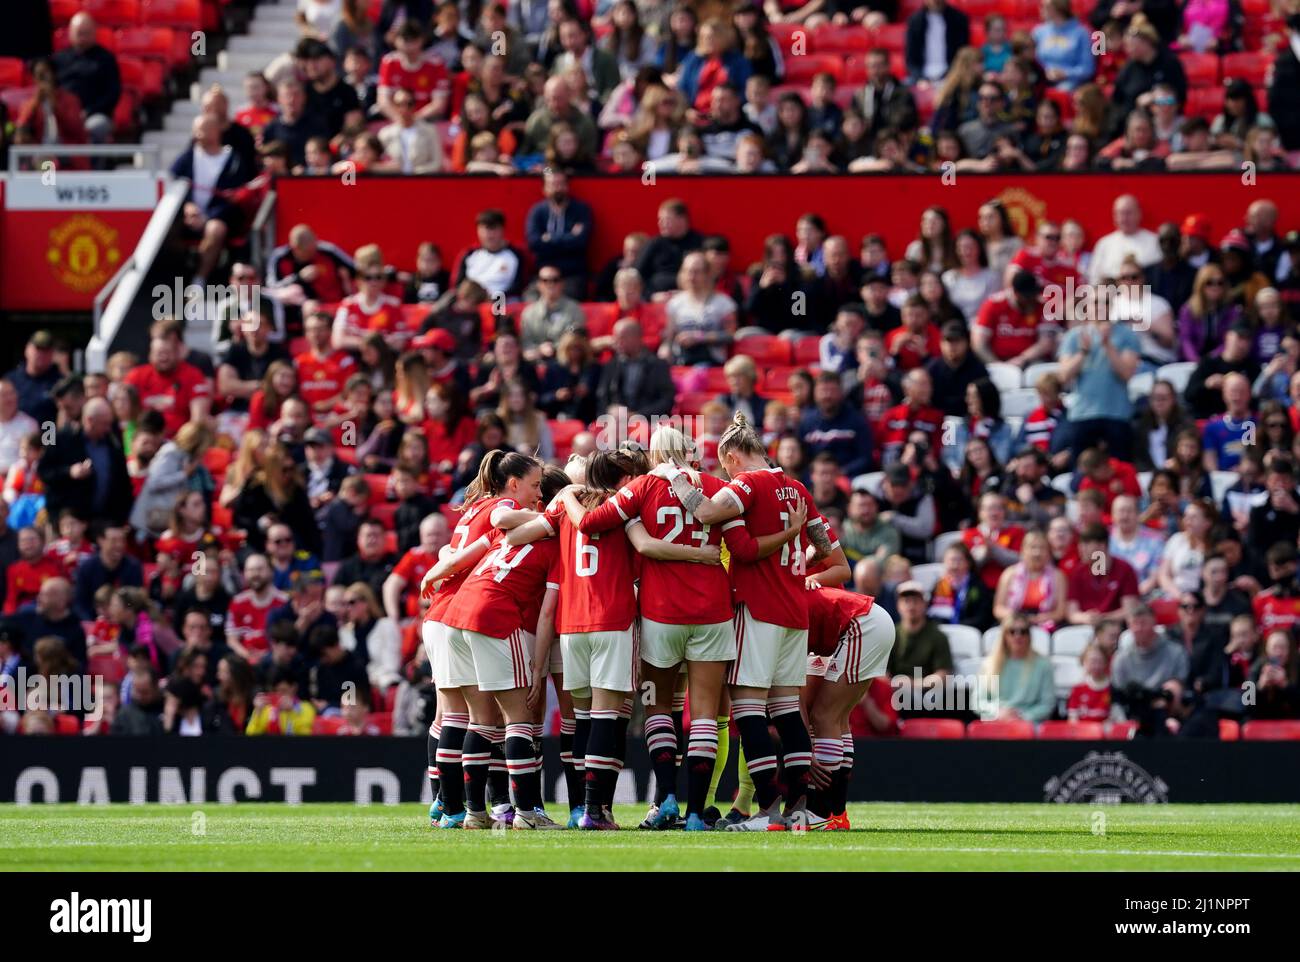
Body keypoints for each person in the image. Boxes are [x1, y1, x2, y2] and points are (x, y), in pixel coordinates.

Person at [655, 413, 841, 831]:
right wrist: (790, 546)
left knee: (749, 709)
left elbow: (703, 512)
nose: (723, 473)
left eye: (724, 466)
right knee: (787, 710)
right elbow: (825, 545)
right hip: (795, 612)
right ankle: (800, 808)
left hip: (758, 608)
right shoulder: (797, 486)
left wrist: (677, 480)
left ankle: (769, 810)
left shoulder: (747, 484)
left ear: (731, 456)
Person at [51, 13, 120, 144]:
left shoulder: (106, 59)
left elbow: (113, 93)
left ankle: (90, 165)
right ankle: (49, 165)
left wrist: (87, 112)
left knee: (96, 127)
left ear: (94, 33)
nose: (82, 37)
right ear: (70, 33)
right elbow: (51, 90)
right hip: (63, 116)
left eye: (86, 33)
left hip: (93, 115)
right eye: (79, 33)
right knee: (49, 131)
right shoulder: (58, 60)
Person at [525, 170, 593, 297]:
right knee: (530, 300)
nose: (557, 188)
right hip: (543, 275)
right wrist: (569, 237)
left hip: (571, 275)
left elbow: (580, 242)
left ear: (567, 186)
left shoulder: (581, 210)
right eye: (552, 185)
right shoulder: (537, 211)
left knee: (568, 303)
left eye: (560, 184)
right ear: (544, 189)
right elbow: (533, 243)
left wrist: (548, 238)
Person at [887, 579, 954, 705]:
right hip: (892, 695)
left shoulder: (938, 636)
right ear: (898, 605)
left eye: (916, 601)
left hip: (927, 698)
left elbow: (943, 675)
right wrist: (892, 684)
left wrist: (914, 684)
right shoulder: (889, 635)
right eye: (906, 601)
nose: (911, 606)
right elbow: (882, 674)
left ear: (925, 604)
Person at [595, 319, 676, 418]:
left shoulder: (658, 365)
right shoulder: (612, 365)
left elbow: (666, 400)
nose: (616, 342)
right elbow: (602, 398)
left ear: (637, 338)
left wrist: (638, 415)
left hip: (649, 421)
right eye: (615, 337)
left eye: (621, 338)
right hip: (617, 420)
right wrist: (611, 410)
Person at [800, 372, 875, 478]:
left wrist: (842, 472)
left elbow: (865, 457)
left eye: (832, 391)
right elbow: (801, 457)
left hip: (848, 477)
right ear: (814, 393)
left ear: (841, 392)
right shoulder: (806, 422)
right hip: (814, 478)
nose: (827, 395)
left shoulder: (856, 420)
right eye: (823, 391)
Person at [635, 198, 704, 297]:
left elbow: (708, 276)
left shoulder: (699, 243)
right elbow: (636, 275)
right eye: (659, 219)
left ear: (682, 220)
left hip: (692, 300)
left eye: (666, 219)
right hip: (656, 301)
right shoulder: (654, 244)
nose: (660, 223)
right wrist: (651, 296)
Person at [905, 0, 971, 85]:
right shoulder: (914, 21)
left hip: (951, 74)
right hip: (921, 75)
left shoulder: (959, 19)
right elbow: (911, 58)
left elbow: (962, 55)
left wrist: (950, 76)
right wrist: (920, 78)